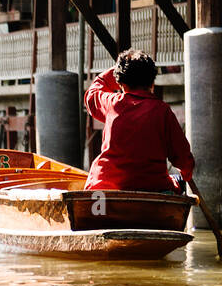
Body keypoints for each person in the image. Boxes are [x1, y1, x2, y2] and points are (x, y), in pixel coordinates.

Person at [83, 48, 194, 193]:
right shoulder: (162, 111)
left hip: (103, 186)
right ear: (152, 83)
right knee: (178, 183)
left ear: (121, 84)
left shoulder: (112, 103)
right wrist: (186, 173)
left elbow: (92, 94)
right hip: (153, 187)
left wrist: (116, 72)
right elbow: (183, 158)